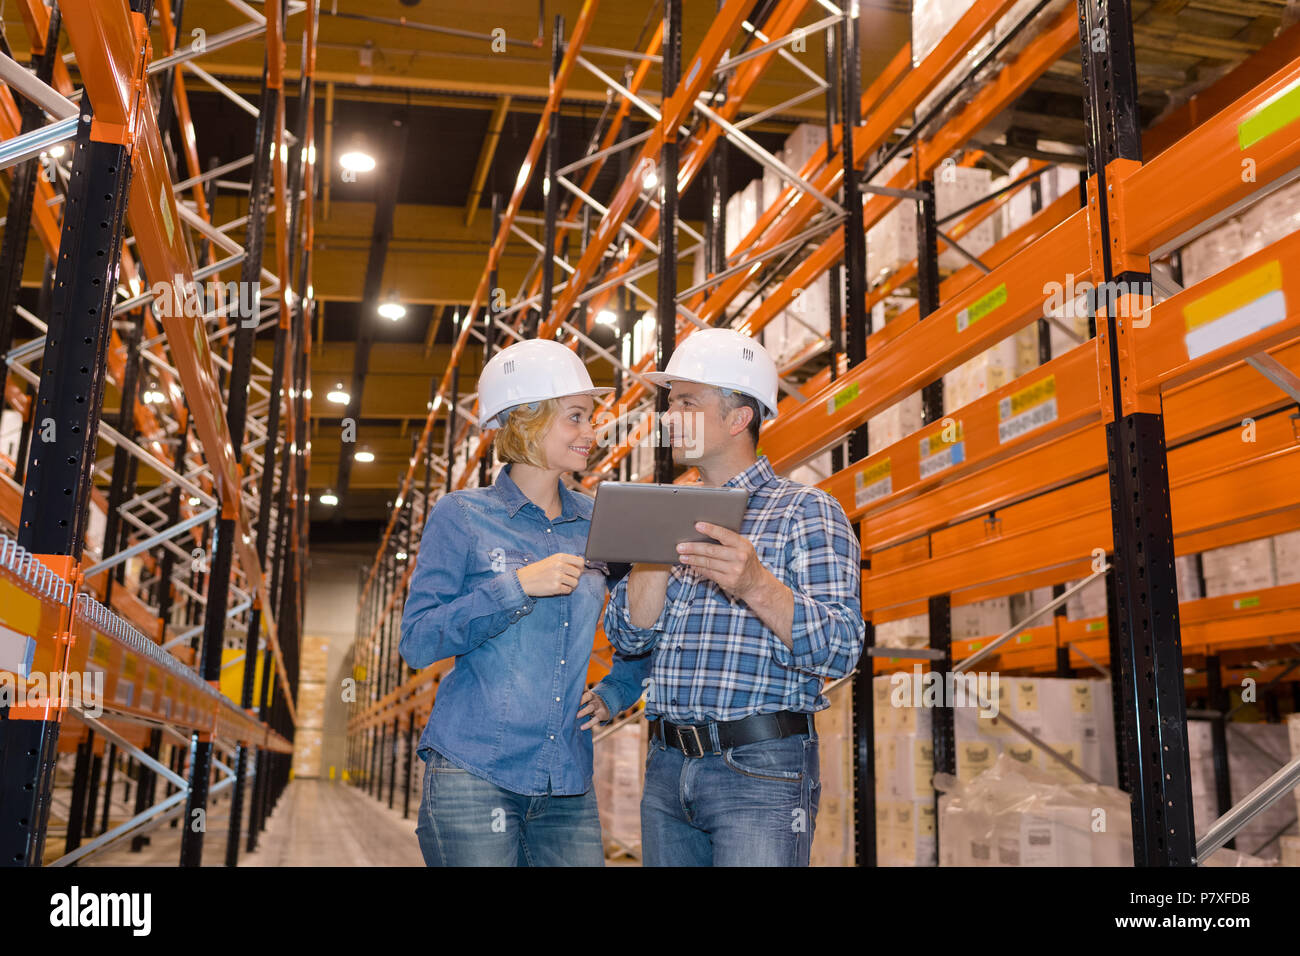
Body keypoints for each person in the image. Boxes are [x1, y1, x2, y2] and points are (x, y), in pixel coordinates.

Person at [602, 327, 865, 866]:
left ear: (738, 418)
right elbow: (627, 638)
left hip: (759, 770)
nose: (669, 416)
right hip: (666, 765)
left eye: (687, 402)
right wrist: (650, 560)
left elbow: (842, 647)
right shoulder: (663, 509)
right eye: (671, 403)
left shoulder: (806, 511)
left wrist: (757, 586)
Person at [399, 337, 648, 867]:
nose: (592, 433)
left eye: (592, 418)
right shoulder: (462, 515)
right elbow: (419, 640)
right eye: (576, 417)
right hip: (473, 770)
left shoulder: (602, 520)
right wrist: (515, 587)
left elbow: (646, 622)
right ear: (524, 420)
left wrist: (618, 689)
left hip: (567, 778)